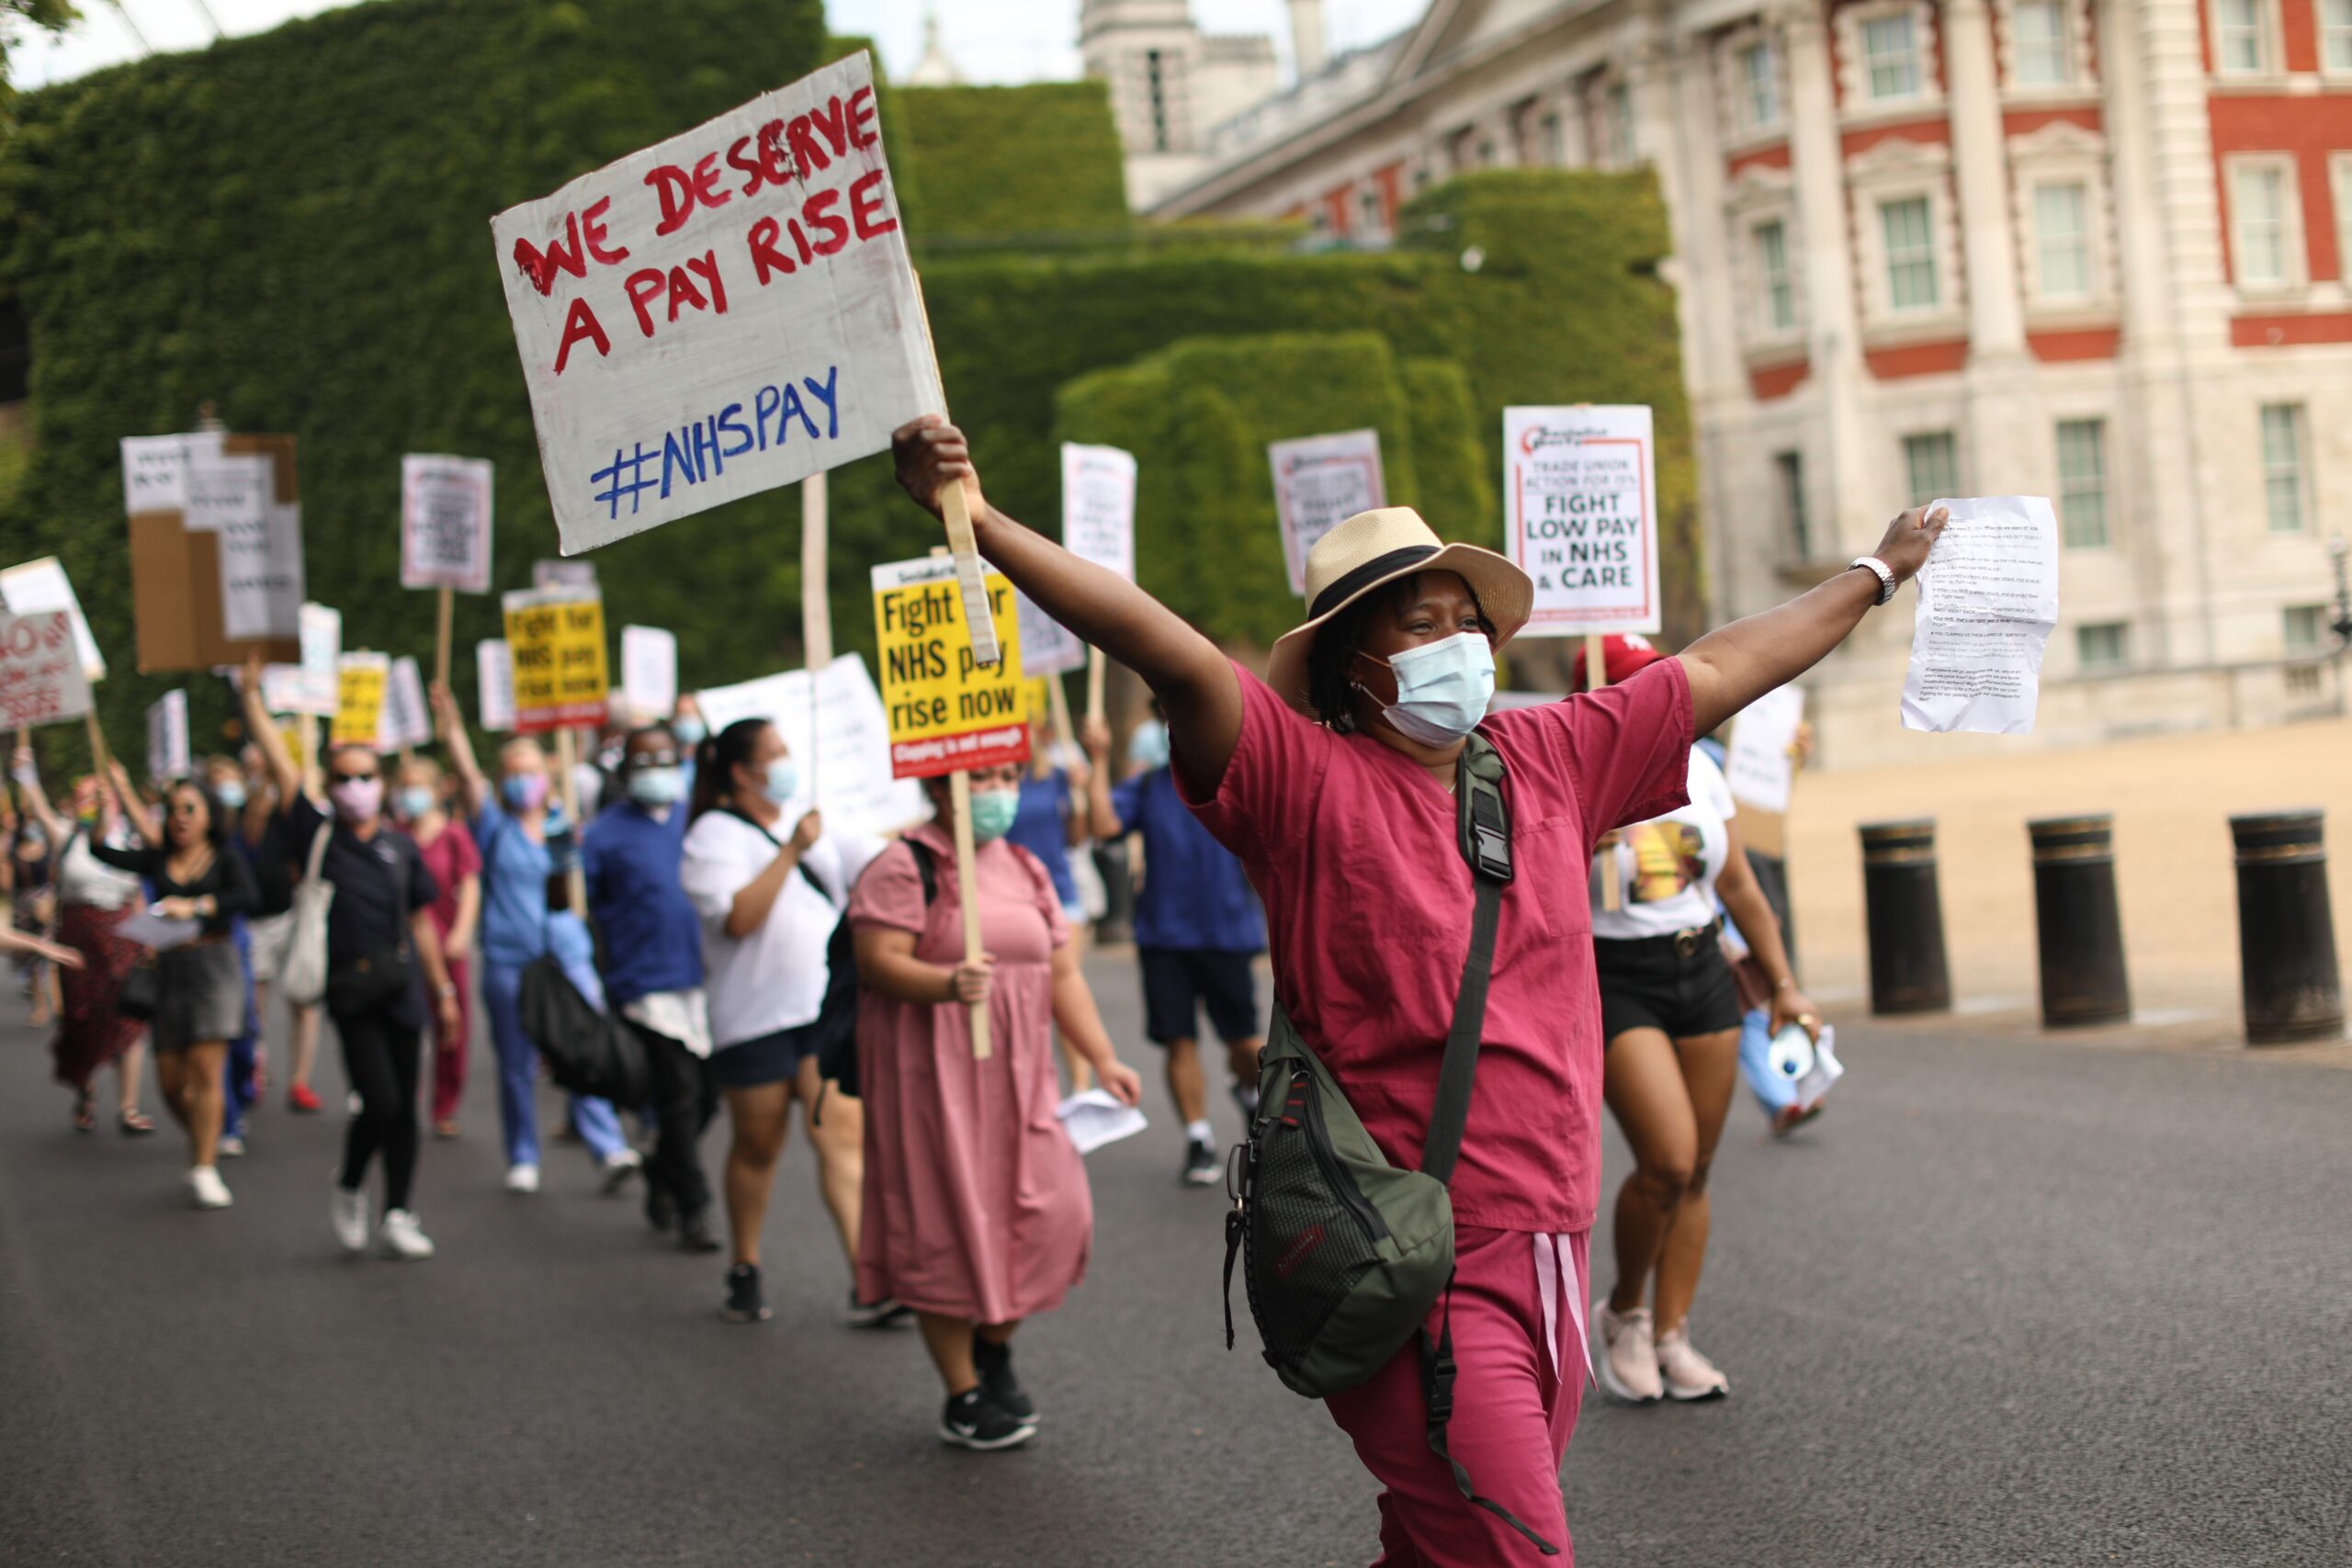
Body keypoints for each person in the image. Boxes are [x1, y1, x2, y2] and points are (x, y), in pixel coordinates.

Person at [891, 413, 1942, 1560]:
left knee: (1437, 1533)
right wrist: (984, 525)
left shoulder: (1550, 756)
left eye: (1469, 623)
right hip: (1409, 1243)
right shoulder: (1298, 780)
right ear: (1354, 658)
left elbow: (1723, 664)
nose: (1460, 643)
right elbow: (1171, 651)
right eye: (1421, 621)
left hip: (1553, 1236)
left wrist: (1874, 572)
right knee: (1514, 1547)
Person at [850, 761, 1142, 1450]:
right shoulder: (902, 864)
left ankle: (994, 1343)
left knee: (1050, 1211)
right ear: (937, 787)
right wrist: (946, 982)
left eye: (1005, 777)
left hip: (1021, 1077)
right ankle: (964, 1390)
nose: (997, 792)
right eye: (979, 779)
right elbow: (877, 959)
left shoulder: (1023, 864)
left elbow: (1060, 971)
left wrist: (1102, 1056)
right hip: (931, 1080)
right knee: (944, 1224)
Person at [1577, 634, 1816, 1405]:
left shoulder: (1701, 767)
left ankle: (1672, 1333)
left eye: (1662, 682)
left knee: (1700, 1168)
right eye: (1636, 686)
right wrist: (1575, 842)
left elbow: (1741, 884)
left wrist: (1784, 984)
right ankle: (1625, 1311)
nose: (1659, 698)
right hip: (1615, 978)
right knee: (1669, 1159)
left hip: (1702, 968)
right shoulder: (1566, 770)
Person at [245, 665, 460, 1258]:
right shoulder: (319, 834)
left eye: (365, 776)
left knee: (406, 1110)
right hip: (349, 988)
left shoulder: (400, 845)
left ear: (381, 781)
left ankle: (399, 1211)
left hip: (403, 985)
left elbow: (421, 921)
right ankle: (349, 1186)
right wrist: (251, 699)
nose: (354, 786)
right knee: (381, 1100)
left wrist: (443, 992)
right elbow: (285, 771)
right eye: (343, 778)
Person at [681, 716, 882, 1325]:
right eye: (775, 752)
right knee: (758, 1142)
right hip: (754, 1015)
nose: (787, 760)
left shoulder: (822, 825)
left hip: (821, 1010)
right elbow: (738, 918)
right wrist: (791, 849)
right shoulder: (712, 835)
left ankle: (867, 1277)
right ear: (742, 771)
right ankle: (745, 1261)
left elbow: (877, 866)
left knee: (841, 1134)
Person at [431, 682, 639, 1195]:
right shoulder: (493, 825)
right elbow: (466, 773)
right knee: (517, 1063)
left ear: (550, 775)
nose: (526, 779)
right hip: (510, 959)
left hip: (566, 953)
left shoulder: (563, 824)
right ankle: (523, 1154)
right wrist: (452, 724)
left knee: (585, 1047)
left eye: (533, 770)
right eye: (515, 771)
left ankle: (607, 1144)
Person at [1081, 706, 1266, 1186]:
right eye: (1169, 715)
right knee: (1178, 1039)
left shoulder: (1241, 778)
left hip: (1227, 934)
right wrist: (1097, 759)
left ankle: (1248, 1093)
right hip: (1164, 937)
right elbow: (1102, 826)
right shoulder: (1148, 787)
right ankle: (1198, 1137)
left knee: (1246, 1045)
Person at [85, 765, 260, 1209]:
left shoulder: (227, 858)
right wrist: (106, 807)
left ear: (208, 815)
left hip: (216, 967)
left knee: (206, 1067)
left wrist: (200, 904)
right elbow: (102, 852)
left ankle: (204, 1167)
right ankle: (205, 1136)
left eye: (190, 808)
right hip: (170, 971)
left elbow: (249, 897)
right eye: (173, 809)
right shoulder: (158, 857)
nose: (180, 817)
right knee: (169, 1081)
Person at [583, 725, 720, 1252]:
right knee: (679, 1097)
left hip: (703, 978)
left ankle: (662, 1168)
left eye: (666, 760)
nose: (657, 772)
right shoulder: (603, 834)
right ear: (624, 771)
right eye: (645, 763)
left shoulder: (698, 820)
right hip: (645, 985)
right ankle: (695, 1206)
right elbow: (578, 907)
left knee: (708, 1098)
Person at [18, 757, 151, 1134]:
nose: (91, 804)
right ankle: (86, 1087)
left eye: (98, 796)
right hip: (78, 940)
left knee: (130, 1016)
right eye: (84, 798)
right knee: (81, 1019)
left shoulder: (131, 839)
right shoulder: (67, 836)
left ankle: (128, 1107)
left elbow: (141, 891)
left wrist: (148, 939)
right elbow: (41, 808)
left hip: (124, 936)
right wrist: (26, 774)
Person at [391, 756, 481, 1141]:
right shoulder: (394, 835)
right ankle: (399, 1103)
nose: (411, 795)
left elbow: (471, 883)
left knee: (451, 1028)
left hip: (448, 948)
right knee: (406, 1027)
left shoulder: (455, 834)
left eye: (418, 786)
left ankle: (445, 1105)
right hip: (405, 950)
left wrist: (461, 932)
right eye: (405, 786)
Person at [1005, 711, 1094, 1090]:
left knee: (1063, 995)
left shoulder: (1058, 779)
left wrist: (1081, 799)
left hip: (1059, 895)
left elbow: (1075, 838)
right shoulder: (995, 785)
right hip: (1010, 901)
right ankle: (1035, 1087)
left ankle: (1080, 1086)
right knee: (1024, 1004)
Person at [201, 755, 262, 1159]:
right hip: (195, 957)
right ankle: (224, 1117)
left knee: (244, 1034)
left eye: (233, 782)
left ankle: (242, 1087)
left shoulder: (241, 835)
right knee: (213, 1038)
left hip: (233, 944)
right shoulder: (181, 844)